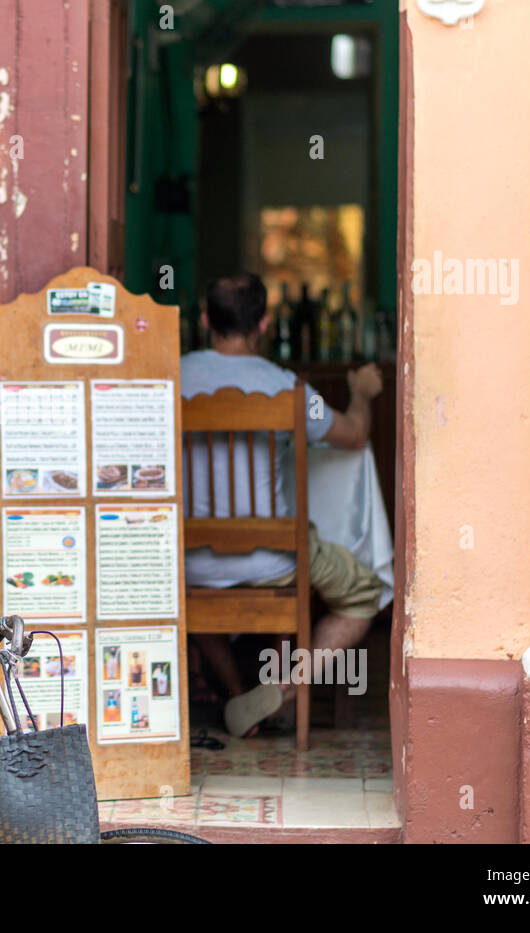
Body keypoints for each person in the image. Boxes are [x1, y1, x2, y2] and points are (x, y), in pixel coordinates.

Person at [181, 273, 385, 738]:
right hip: (273, 562)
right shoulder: (287, 388)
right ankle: (286, 688)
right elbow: (353, 435)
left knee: (189, 584)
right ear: (266, 323)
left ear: (207, 319)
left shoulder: (172, 377)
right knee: (364, 596)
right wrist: (360, 393)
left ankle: (238, 696)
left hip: (188, 563)